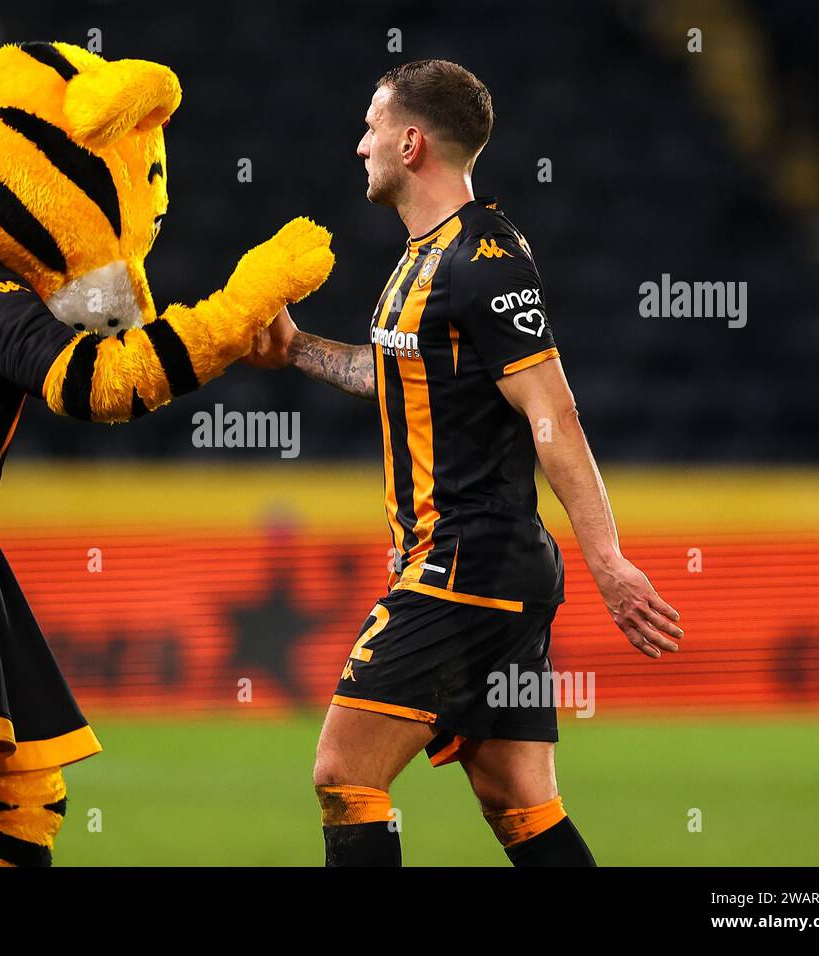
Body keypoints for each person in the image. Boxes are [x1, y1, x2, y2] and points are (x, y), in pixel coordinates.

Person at [247, 59, 682, 866]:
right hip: (483, 565)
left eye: (372, 127)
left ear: (411, 143)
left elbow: (554, 415)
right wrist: (298, 348)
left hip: (467, 561)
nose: (359, 145)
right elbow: (396, 377)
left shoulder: (485, 260)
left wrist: (610, 562)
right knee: (519, 800)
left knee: (346, 773)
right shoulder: (423, 259)